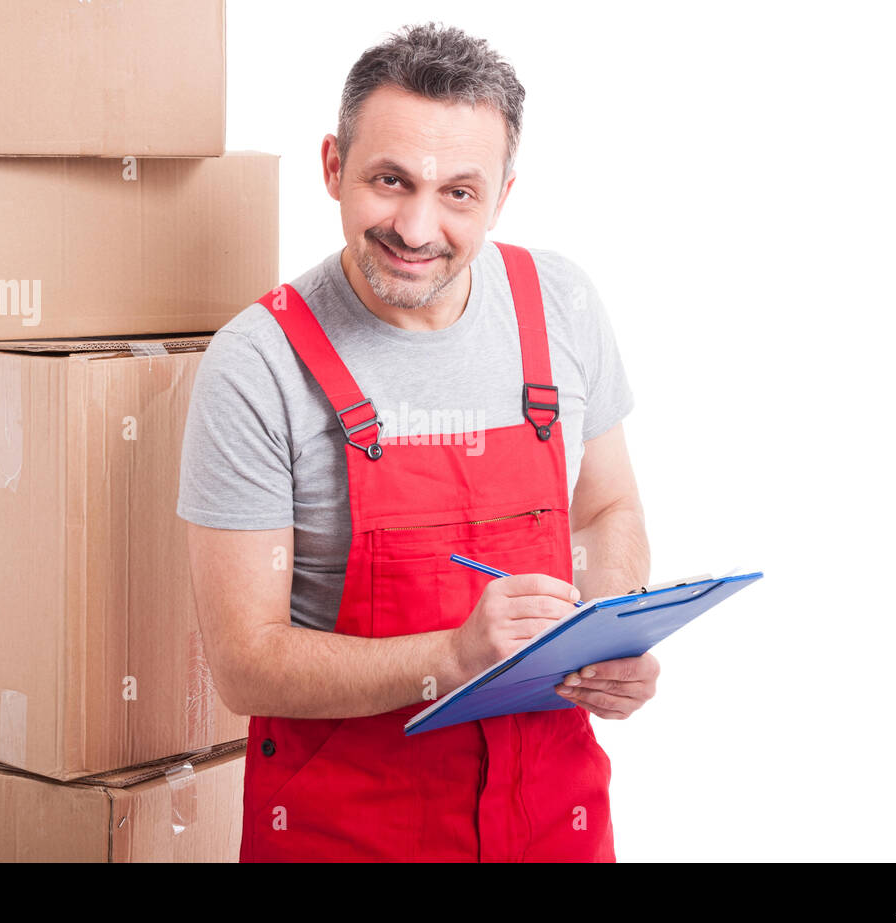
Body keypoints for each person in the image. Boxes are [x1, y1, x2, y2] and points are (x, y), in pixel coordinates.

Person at [179, 21, 658, 863]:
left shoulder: (562, 306)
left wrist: (600, 640)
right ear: (334, 166)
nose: (416, 226)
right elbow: (244, 664)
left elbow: (607, 507)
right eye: (389, 180)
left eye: (459, 193)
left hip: (553, 820)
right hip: (348, 832)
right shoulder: (259, 362)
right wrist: (454, 653)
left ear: (503, 196)